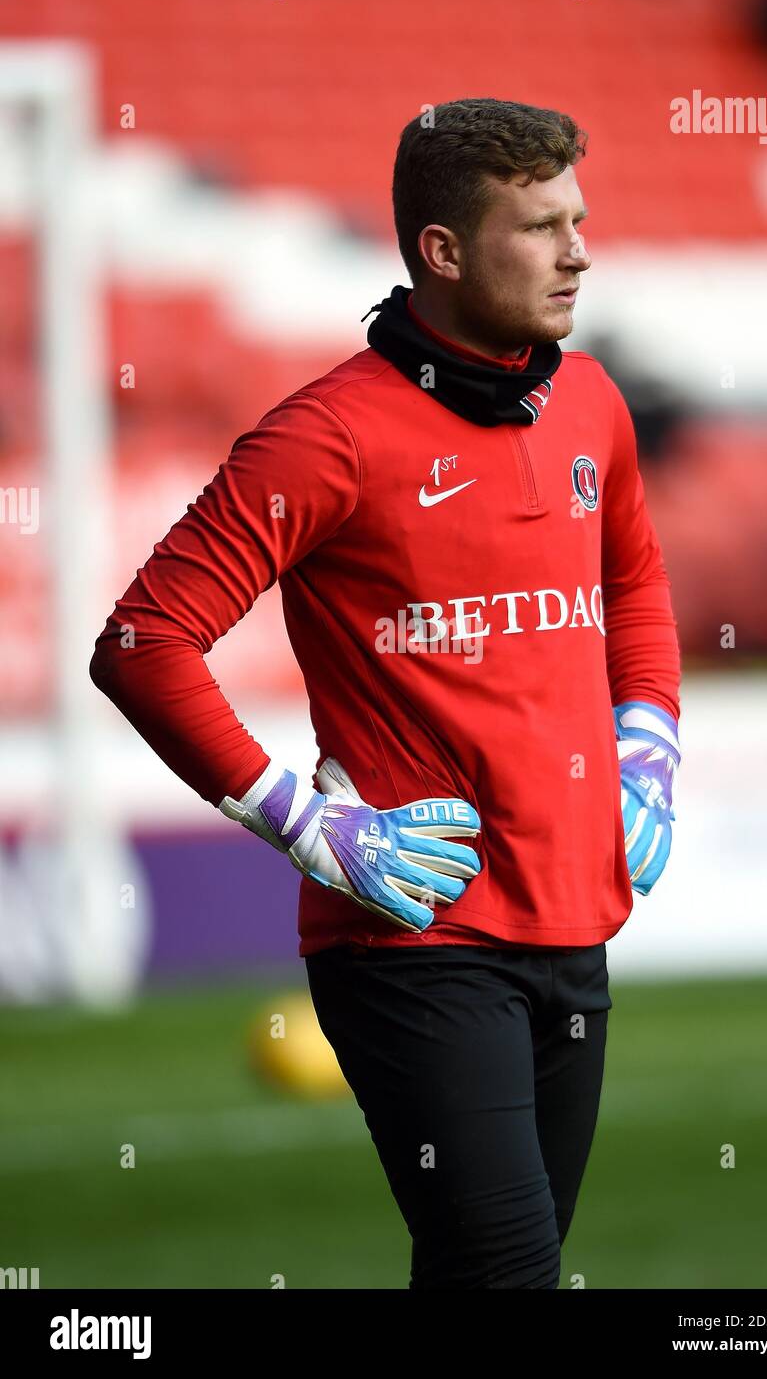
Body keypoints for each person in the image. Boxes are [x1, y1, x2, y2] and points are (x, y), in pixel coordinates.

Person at [90, 97, 682, 1289]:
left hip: (573, 917)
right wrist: (300, 824)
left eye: (578, 218)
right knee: (510, 1276)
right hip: (413, 938)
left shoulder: (592, 403)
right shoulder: (326, 438)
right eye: (537, 226)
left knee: (476, 1278)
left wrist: (648, 737)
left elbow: (634, 582)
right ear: (441, 251)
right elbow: (144, 641)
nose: (576, 250)